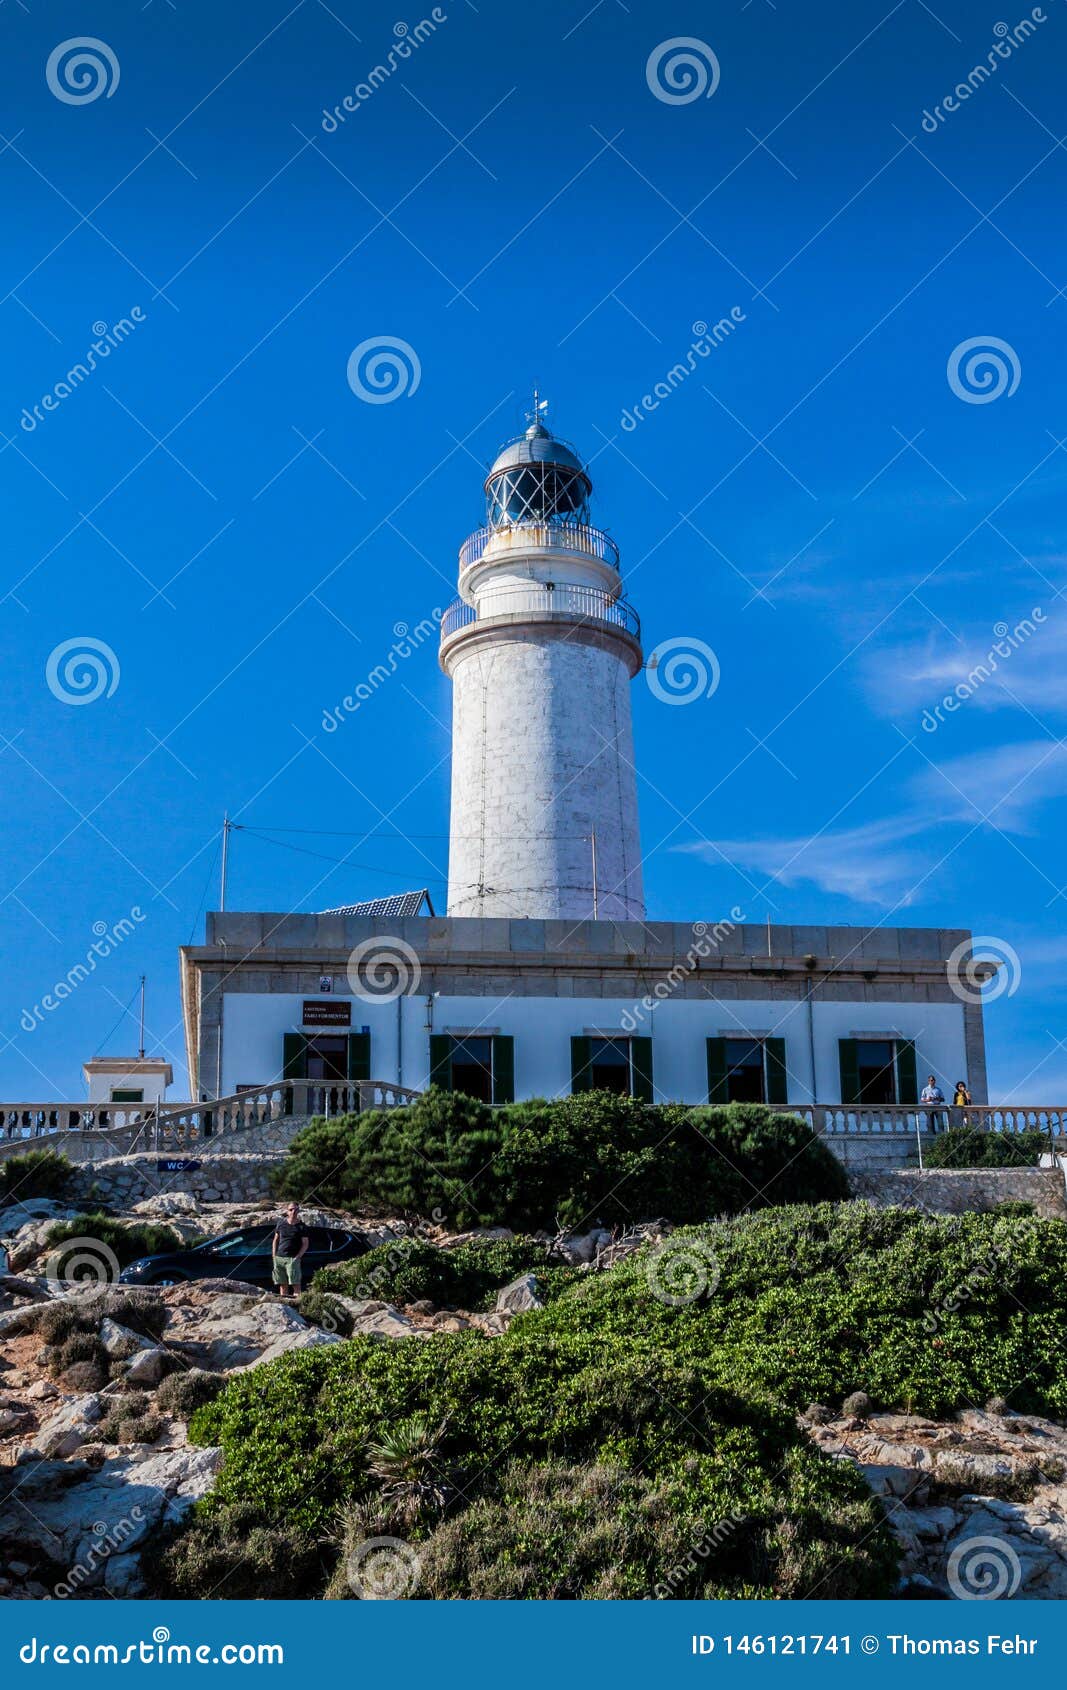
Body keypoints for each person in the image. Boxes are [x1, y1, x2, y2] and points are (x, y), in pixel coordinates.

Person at [271, 1202, 309, 1299]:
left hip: (292, 1259)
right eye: (291, 1209)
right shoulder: (281, 1224)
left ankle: (297, 1307)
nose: (293, 1212)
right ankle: (285, 1305)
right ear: (287, 1212)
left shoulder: (301, 1226)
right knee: (283, 1285)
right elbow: (276, 1239)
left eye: (295, 1209)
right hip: (279, 1258)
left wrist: (298, 1257)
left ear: (298, 1211)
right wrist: (274, 1255)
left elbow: (305, 1243)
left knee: (296, 1285)